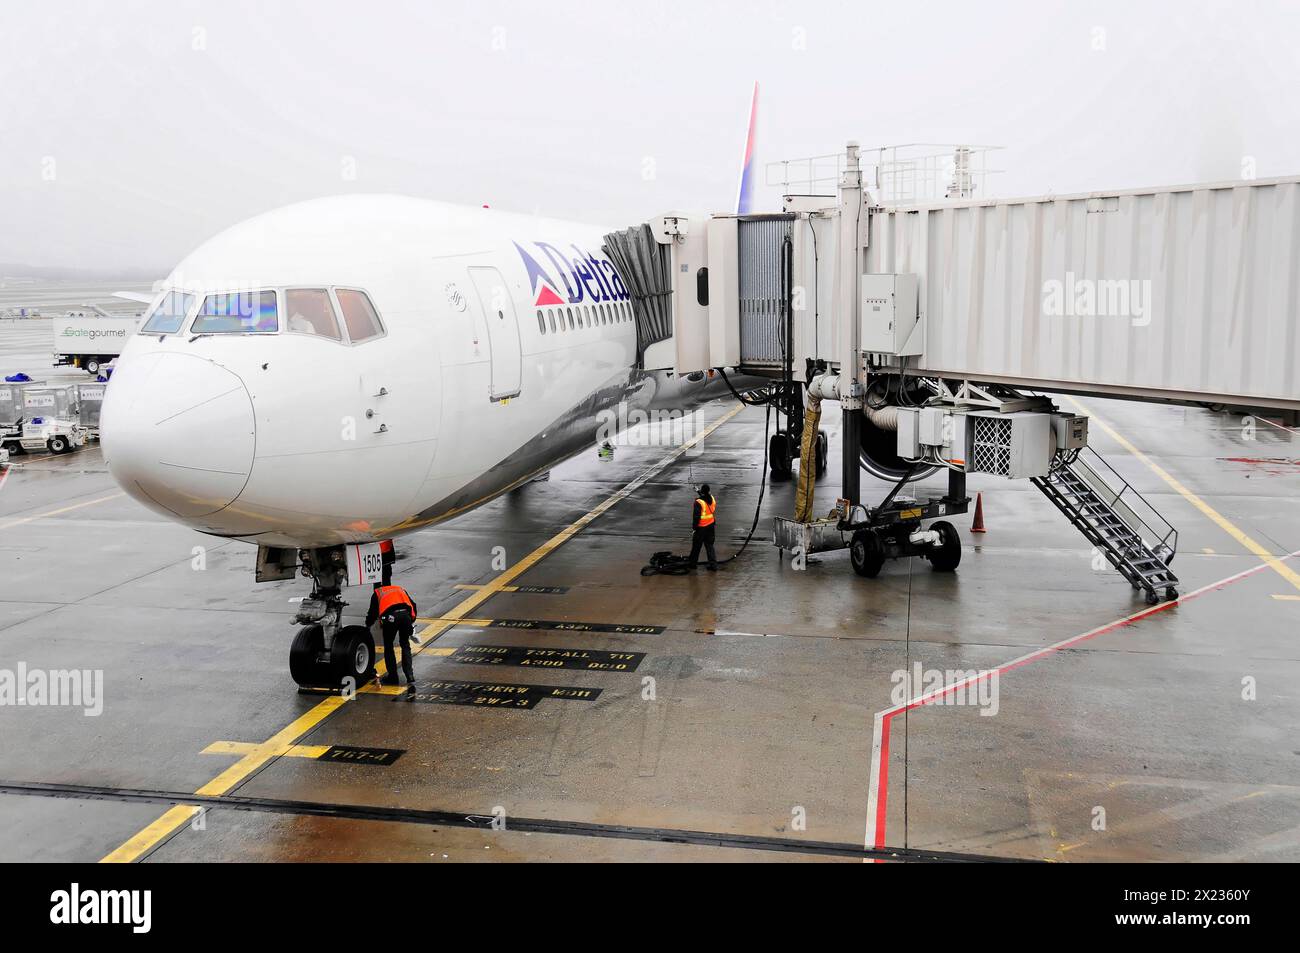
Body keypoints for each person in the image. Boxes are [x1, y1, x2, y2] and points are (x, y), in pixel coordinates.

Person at [365, 581, 419, 694]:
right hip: (405, 615)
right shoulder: (399, 588)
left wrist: (367, 626)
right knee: (405, 644)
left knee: (389, 646)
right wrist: (411, 623)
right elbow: (413, 605)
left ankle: (393, 677)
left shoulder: (377, 593)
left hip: (390, 617)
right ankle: (410, 676)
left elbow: (372, 613)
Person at [689, 484, 718, 571]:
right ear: (709, 491)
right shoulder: (712, 498)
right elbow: (705, 497)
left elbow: (696, 517)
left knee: (696, 546)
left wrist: (694, 528)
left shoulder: (698, 502)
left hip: (701, 528)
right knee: (709, 546)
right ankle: (713, 565)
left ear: (702, 491)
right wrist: (698, 490)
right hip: (711, 526)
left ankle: (692, 564)